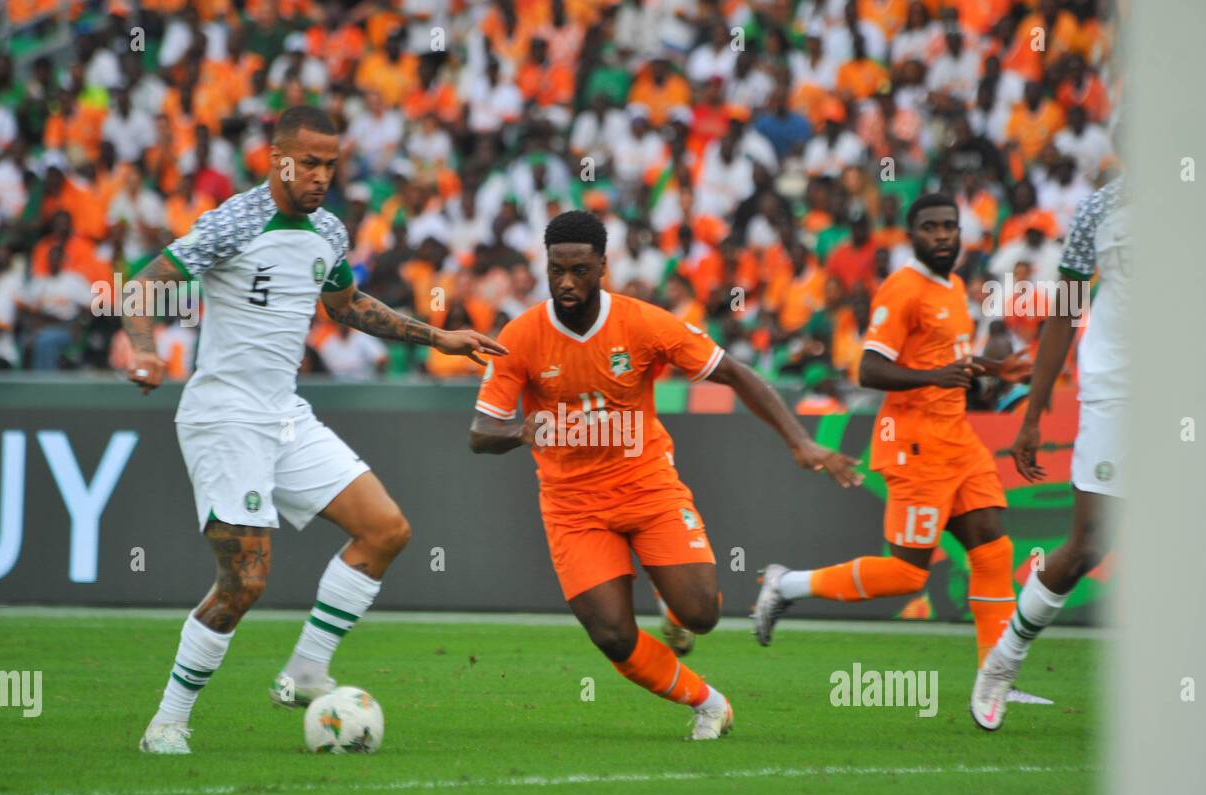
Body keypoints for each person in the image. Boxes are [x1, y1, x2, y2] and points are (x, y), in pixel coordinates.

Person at [124, 106, 504, 754]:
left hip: (284, 414)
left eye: (333, 163)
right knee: (245, 580)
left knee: (386, 530)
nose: (323, 175)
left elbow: (346, 305)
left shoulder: (328, 230)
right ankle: (167, 720)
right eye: (312, 162)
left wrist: (437, 335)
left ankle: (304, 671)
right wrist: (142, 348)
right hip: (223, 416)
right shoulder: (235, 221)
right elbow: (143, 288)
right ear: (279, 160)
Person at [469, 210, 860, 740]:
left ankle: (674, 609)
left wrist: (800, 440)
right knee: (610, 632)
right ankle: (708, 703)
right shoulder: (521, 336)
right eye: (556, 269)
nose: (566, 282)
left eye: (579, 270)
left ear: (603, 267)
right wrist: (520, 432)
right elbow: (479, 433)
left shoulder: (643, 323)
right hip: (572, 503)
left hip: (647, 484)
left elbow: (735, 373)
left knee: (701, 615)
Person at [753, 194, 1030, 670]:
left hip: (957, 441)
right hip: (915, 444)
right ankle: (787, 585)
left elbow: (948, 360)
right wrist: (933, 378)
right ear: (911, 235)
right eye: (930, 227)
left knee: (993, 551)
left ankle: (996, 679)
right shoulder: (902, 290)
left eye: (949, 226)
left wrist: (992, 367)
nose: (942, 234)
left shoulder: (954, 286)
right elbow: (869, 369)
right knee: (906, 574)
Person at [977, 176, 1128, 730]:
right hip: (1117, 391)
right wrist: (1034, 414)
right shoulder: (1099, 210)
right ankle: (1003, 661)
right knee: (1088, 544)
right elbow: (1064, 313)